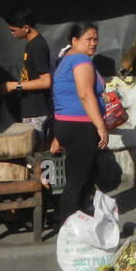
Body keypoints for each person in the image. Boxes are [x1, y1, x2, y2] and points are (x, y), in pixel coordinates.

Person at [49, 23, 109, 225]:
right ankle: (67, 226)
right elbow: (84, 95)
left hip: (67, 124)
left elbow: (66, 96)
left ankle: (80, 220)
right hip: (80, 126)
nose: (93, 43)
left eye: (95, 39)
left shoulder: (64, 61)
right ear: (74, 41)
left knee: (85, 175)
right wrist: (100, 126)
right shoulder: (80, 60)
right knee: (78, 180)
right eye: (88, 39)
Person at [0, 8, 52, 151]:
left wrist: (14, 86)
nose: (12, 33)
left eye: (14, 30)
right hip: (29, 110)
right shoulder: (31, 44)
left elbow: (46, 81)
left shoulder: (38, 46)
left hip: (37, 110)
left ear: (26, 28)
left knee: (36, 155)